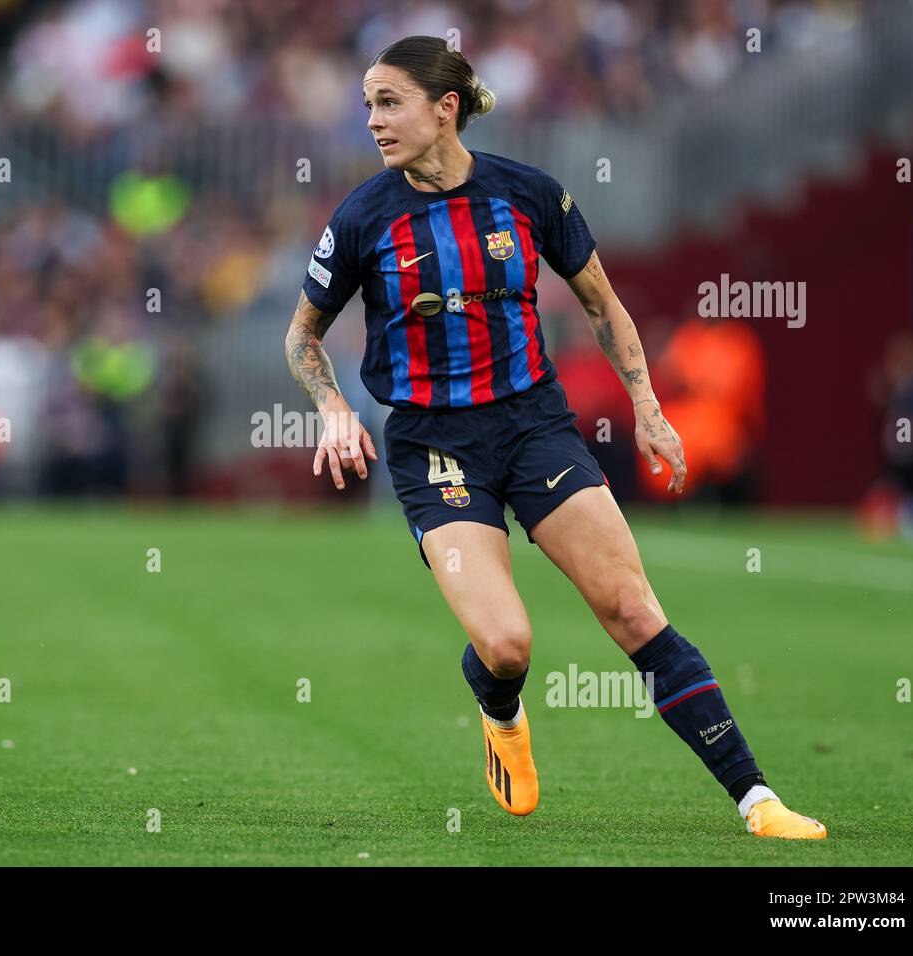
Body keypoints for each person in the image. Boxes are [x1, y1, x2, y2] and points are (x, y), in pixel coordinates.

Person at [284, 36, 825, 839]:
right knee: (505, 645)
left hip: (535, 426)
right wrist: (330, 405)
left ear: (446, 109)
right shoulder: (364, 216)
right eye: (367, 104)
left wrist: (645, 404)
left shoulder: (528, 195)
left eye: (388, 102)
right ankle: (500, 711)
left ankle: (758, 801)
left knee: (633, 609)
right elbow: (303, 338)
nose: (373, 120)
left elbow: (604, 306)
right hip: (433, 446)